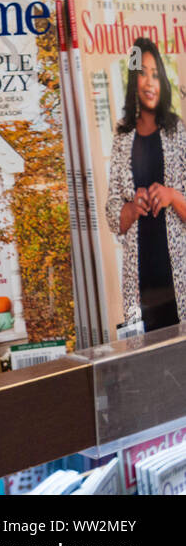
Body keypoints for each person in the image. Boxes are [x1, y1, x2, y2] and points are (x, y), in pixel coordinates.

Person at [105, 37, 186, 332]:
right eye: (142, 73)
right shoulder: (122, 137)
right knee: (145, 356)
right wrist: (131, 208)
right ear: (133, 80)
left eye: (155, 74)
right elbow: (113, 214)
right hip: (139, 287)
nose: (150, 82)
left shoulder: (177, 131)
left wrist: (171, 196)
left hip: (179, 280)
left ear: (162, 80)